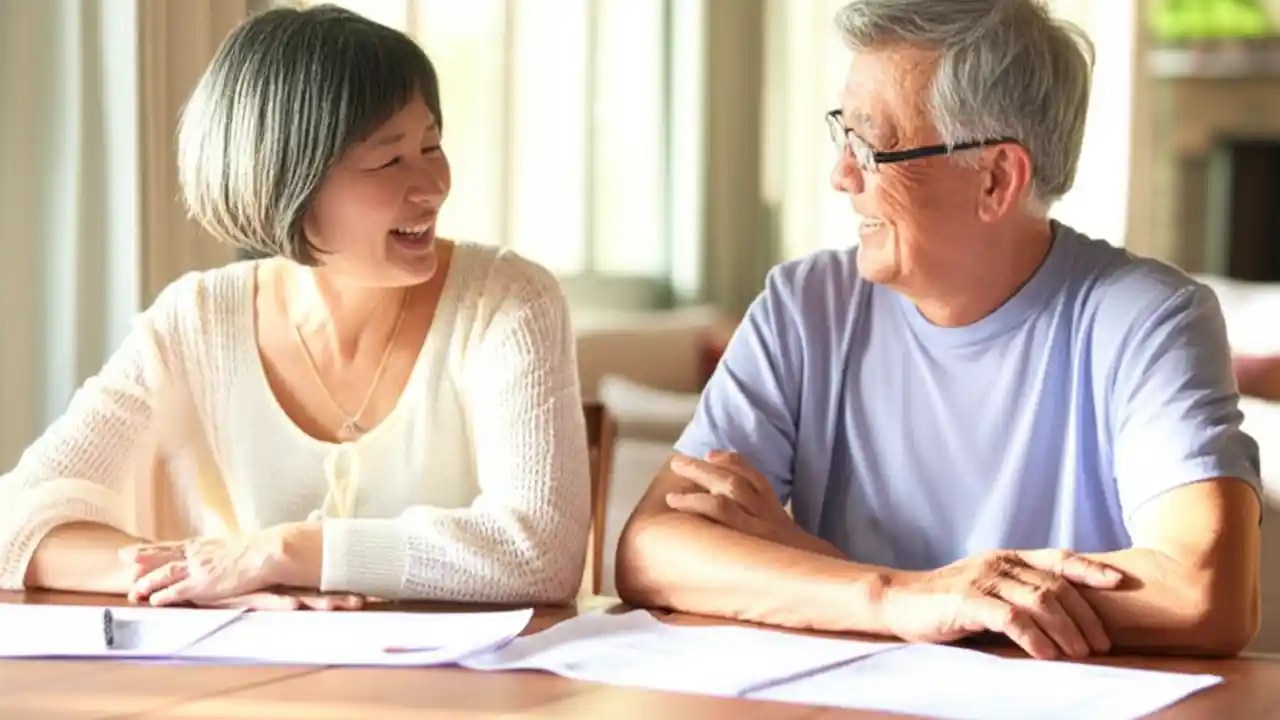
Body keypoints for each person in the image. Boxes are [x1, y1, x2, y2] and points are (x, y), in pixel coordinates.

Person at [617, 0, 1262, 659]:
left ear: (996, 178)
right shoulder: (803, 306)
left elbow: (1204, 593)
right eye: (843, 134)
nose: (841, 175)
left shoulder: (1151, 318)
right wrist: (902, 597)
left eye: (871, 145)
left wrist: (813, 568)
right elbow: (652, 548)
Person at [0, 5, 589, 610]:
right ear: (289, 181)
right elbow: (10, 524)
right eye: (391, 159)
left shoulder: (509, 301)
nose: (433, 184)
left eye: (432, 144)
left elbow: (540, 553)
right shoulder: (197, 322)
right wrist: (209, 574)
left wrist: (284, 552)